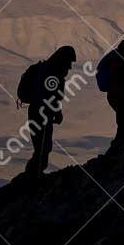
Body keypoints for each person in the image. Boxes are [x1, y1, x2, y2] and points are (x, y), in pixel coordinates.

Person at [16, 45, 76, 181]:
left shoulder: (49, 71)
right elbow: (50, 96)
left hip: (39, 113)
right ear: (64, 60)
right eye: (69, 62)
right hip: (41, 114)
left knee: (42, 147)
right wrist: (55, 112)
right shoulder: (52, 73)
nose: (70, 67)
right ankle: (32, 179)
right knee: (43, 147)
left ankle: (32, 176)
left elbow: (52, 97)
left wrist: (55, 111)